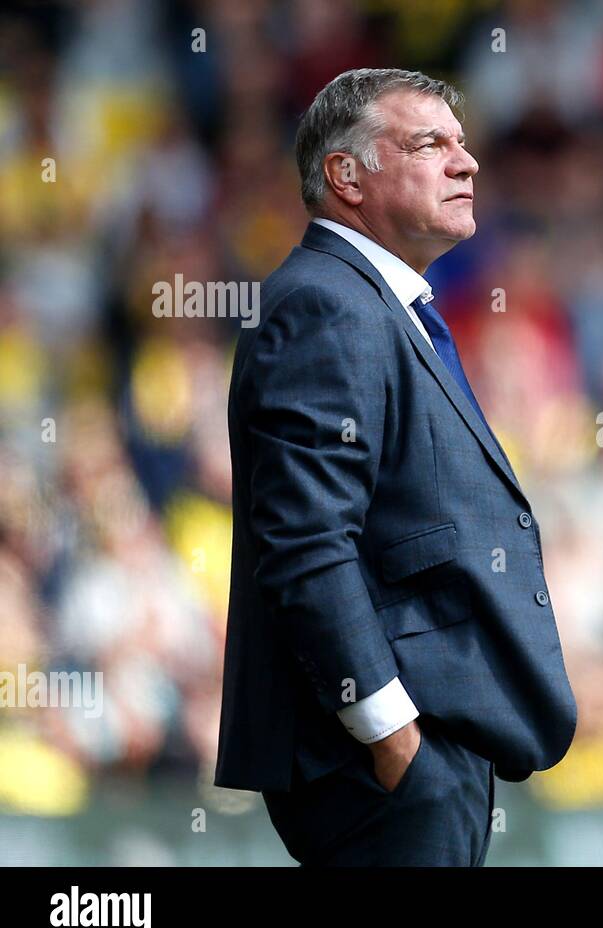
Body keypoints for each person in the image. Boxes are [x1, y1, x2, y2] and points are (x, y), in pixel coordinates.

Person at [213, 68, 578, 866]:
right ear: (347, 176)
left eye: (462, 142)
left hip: (419, 755)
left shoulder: (378, 307)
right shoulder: (325, 304)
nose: (466, 161)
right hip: (382, 762)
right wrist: (391, 734)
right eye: (428, 144)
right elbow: (305, 542)